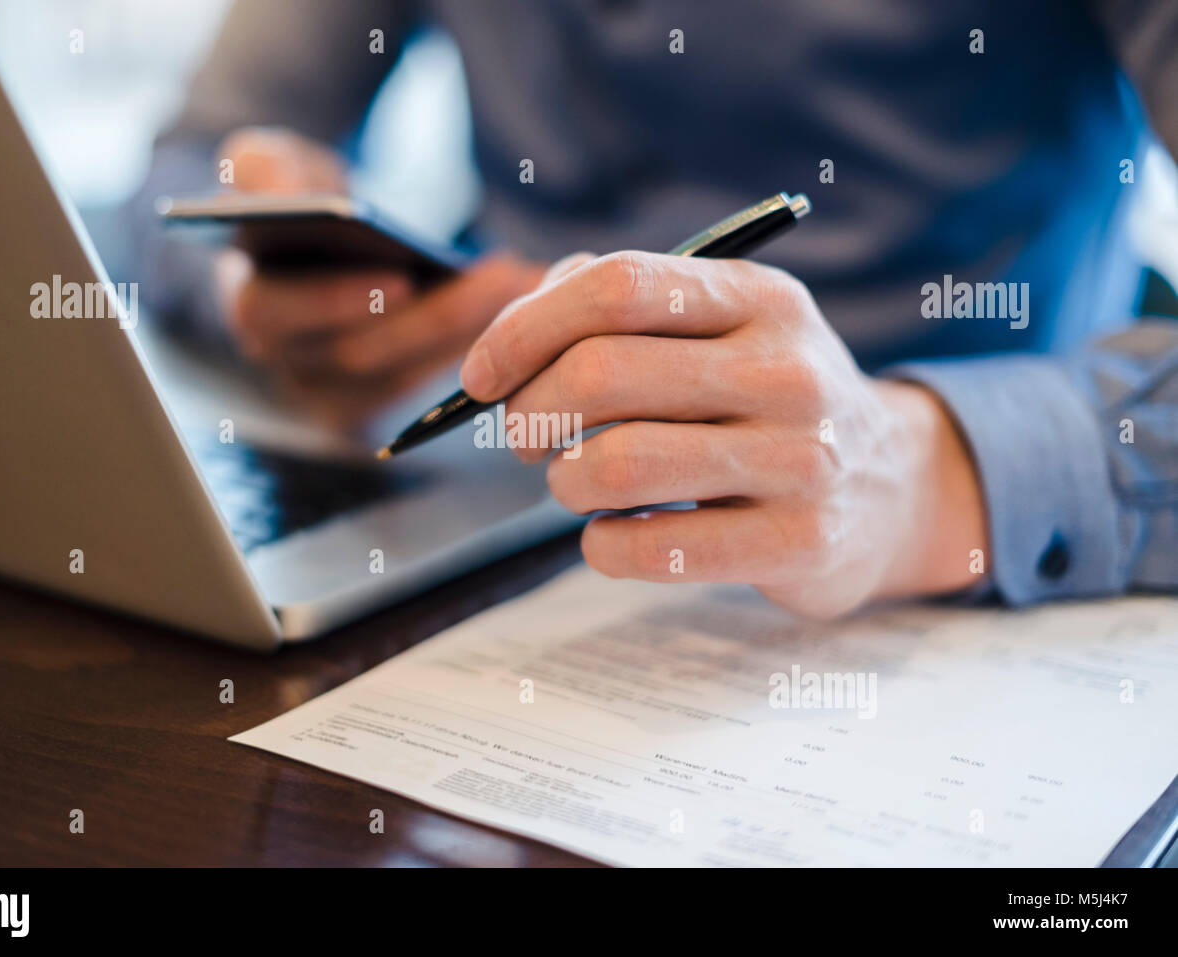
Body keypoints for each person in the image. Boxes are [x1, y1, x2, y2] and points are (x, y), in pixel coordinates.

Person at [125, 0, 1178, 618]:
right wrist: (251, 276)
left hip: (956, 590)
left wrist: (928, 470)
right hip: (479, 511)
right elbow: (191, 150)